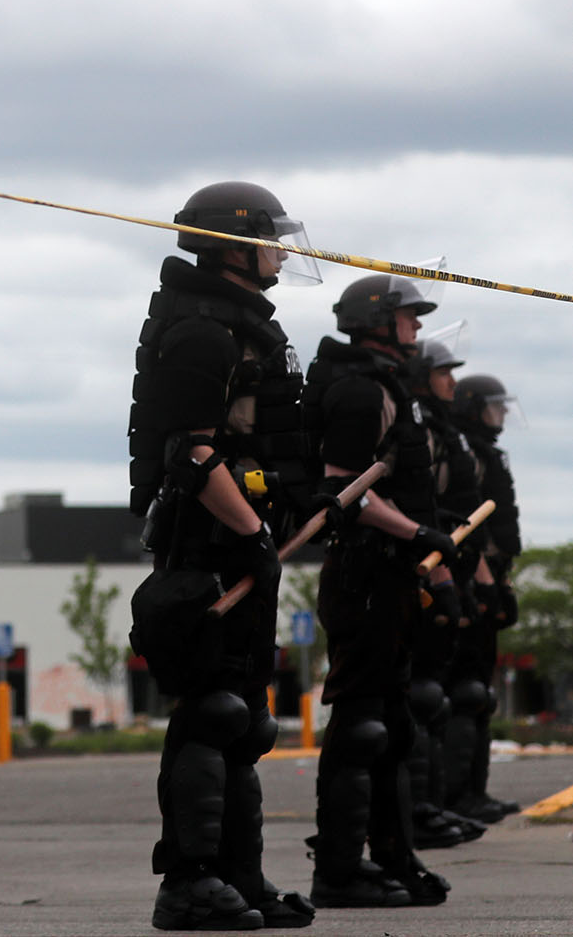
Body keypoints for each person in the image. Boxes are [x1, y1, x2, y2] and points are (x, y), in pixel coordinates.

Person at [126, 180, 320, 931]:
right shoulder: (202, 331)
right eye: (269, 238)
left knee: (246, 724)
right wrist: (248, 536)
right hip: (205, 542)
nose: (280, 252)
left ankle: (240, 878)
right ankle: (186, 882)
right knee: (210, 713)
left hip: (243, 539)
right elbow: (189, 454)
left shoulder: (242, 327)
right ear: (233, 245)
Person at [300, 273, 453, 908]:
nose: (416, 328)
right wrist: (418, 532)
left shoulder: (390, 387)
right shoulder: (361, 390)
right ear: (377, 320)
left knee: (392, 725)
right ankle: (337, 870)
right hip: (362, 570)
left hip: (391, 572)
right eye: (409, 317)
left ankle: (393, 858)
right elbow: (344, 490)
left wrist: (432, 560)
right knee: (362, 725)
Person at [400, 337, 485, 849]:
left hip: (444, 567)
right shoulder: (415, 428)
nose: (451, 381)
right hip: (412, 572)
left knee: (446, 699)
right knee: (422, 698)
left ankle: (435, 808)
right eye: (442, 372)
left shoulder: (438, 430)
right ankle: (417, 816)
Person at [445, 374, 525, 823]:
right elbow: (470, 523)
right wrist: (484, 582)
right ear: (474, 408)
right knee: (466, 693)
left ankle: (475, 792)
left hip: (491, 576)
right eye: (494, 407)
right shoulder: (465, 450)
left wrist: (502, 582)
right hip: (471, 579)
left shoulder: (484, 451)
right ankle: (456, 796)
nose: (503, 415)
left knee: (480, 695)